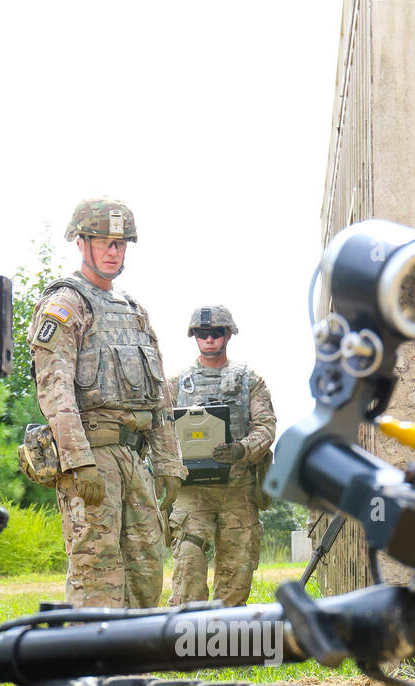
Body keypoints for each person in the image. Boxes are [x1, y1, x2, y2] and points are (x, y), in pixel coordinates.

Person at [25, 197, 185, 608]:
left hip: (134, 459)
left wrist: (169, 464)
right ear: (81, 242)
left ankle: (135, 664)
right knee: (97, 573)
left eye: (121, 243)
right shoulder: (66, 305)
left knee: (147, 571)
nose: (114, 251)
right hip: (93, 456)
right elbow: (55, 389)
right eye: (104, 242)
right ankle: (89, 665)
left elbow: (159, 397)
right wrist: (79, 462)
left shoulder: (134, 312)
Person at [168, 306, 275, 606]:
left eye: (216, 332)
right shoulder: (177, 383)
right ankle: (188, 644)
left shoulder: (249, 380)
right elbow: (161, 428)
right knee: (188, 568)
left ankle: (227, 647)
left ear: (228, 335)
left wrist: (241, 448)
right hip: (192, 492)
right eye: (203, 334)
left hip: (237, 491)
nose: (210, 339)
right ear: (195, 337)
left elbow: (266, 428)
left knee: (236, 577)